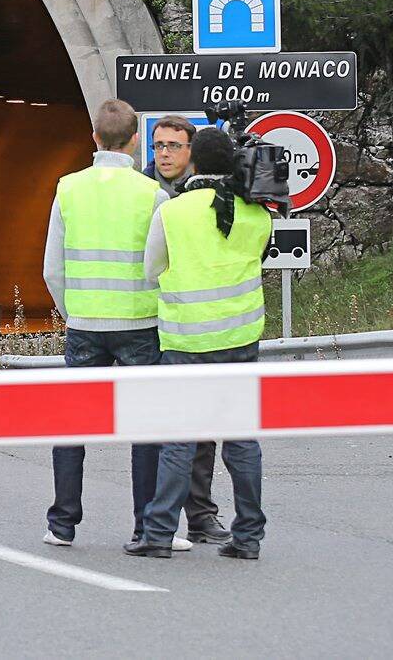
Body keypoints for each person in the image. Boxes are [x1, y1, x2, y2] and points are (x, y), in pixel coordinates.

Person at [134, 125, 271, 561]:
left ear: (193, 161)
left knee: (179, 439)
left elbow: (151, 270)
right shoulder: (257, 213)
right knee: (242, 439)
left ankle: (159, 534)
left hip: (186, 340)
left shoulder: (172, 212)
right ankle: (248, 537)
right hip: (240, 338)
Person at [40, 97, 166, 552]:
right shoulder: (153, 195)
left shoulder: (68, 189)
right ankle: (146, 524)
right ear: (134, 141)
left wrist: (71, 311)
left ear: (94, 137)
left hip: (85, 324)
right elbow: (160, 265)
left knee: (73, 424)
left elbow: (52, 269)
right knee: (145, 428)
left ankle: (62, 523)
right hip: (140, 323)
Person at [147, 115, 230, 546]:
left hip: (192, 327)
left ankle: (200, 515)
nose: (164, 153)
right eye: (158, 145)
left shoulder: (213, 198)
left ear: (191, 152)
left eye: (173, 146)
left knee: (200, 428)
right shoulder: (146, 192)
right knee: (160, 428)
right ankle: (152, 520)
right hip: (149, 323)